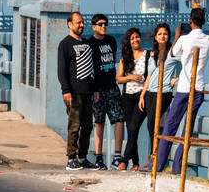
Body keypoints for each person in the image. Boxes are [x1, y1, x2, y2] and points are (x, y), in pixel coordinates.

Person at [155, 7, 209, 175]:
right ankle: (177, 167)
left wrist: (176, 35)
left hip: (183, 88)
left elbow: (173, 52)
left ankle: (159, 165)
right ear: (204, 22)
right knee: (187, 129)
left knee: (170, 125)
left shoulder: (183, 39)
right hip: (198, 88)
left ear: (190, 21)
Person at [57, 11, 97, 170]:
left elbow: (92, 68)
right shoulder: (65, 44)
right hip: (73, 92)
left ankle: (82, 157)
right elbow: (62, 70)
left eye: (82, 22)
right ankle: (71, 158)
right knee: (74, 125)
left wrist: (95, 89)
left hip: (88, 91)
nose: (81, 25)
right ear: (70, 24)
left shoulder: (87, 43)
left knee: (88, 126)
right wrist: (66, 90)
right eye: (78, 22)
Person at [137, 22, 178, 168]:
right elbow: (149, 76)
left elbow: (188, 64)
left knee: (152, 123)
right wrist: (142, 94)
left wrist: (176, 79)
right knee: (151, 125)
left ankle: (155, 157)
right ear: (155, 37)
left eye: (165, 34)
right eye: (160, 34)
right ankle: (155, 157)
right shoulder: (153, 55)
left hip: (164, 92)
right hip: (150, 93)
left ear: (168, 37)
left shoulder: (173, 53)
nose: (163, 36)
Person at [87, 13, 124, 169]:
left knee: (119, 119)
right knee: (99, 122)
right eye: (100, 24)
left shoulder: (111, 40)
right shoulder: (90, 43)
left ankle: (117, 156)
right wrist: (94, 89)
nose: (104, 26)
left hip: (112, 87)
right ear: (94, 26)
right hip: (98, 89)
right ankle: (99, 158)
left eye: (105, 24)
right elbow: (89, 67)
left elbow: (114, 61)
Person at [115, 27, 147, 170]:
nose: (135, 40)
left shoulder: (148, 55)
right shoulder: (125, 57)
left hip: (141, 97)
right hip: (127, 98)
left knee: (134, 128)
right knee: (131, 129)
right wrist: (131, 77)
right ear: (129, 41)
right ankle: (136, 163)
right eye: (132, 38)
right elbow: (119, 79)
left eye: (137, 37)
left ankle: (124, 160)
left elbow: (152, 74)